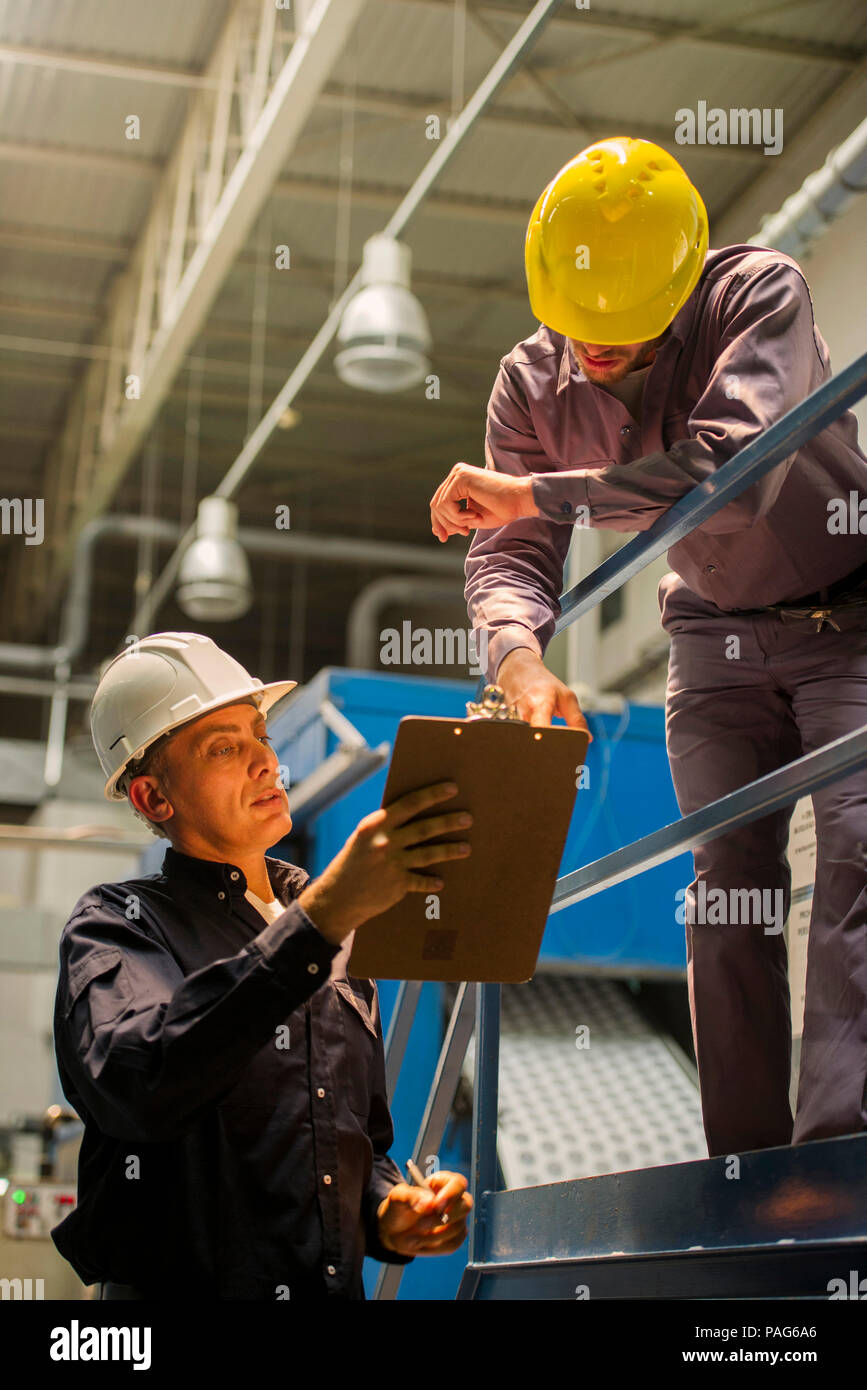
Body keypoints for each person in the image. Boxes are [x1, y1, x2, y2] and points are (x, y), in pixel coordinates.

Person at [429, 135, 867, 1158]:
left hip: (851, 614)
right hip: (713, 641)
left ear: (679, 286)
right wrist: (521, 661)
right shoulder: (527, 386)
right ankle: (750, 1174)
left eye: (626, 335)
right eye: (581, 331)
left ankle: (842, 1160)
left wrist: (537, 493)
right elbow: (508, 562)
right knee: (727, 883)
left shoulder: (760, 294)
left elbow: (734, 472)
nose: (599, 352)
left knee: (859, 850)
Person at [52, 631, 473, 1299]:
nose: (262, 762)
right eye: (223, 747)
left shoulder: (321, 922)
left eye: (260, 735)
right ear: (153, 799)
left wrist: (388, 1210)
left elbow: (355, 1136)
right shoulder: (117, 925)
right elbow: (141, 1087)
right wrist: (319, 924)